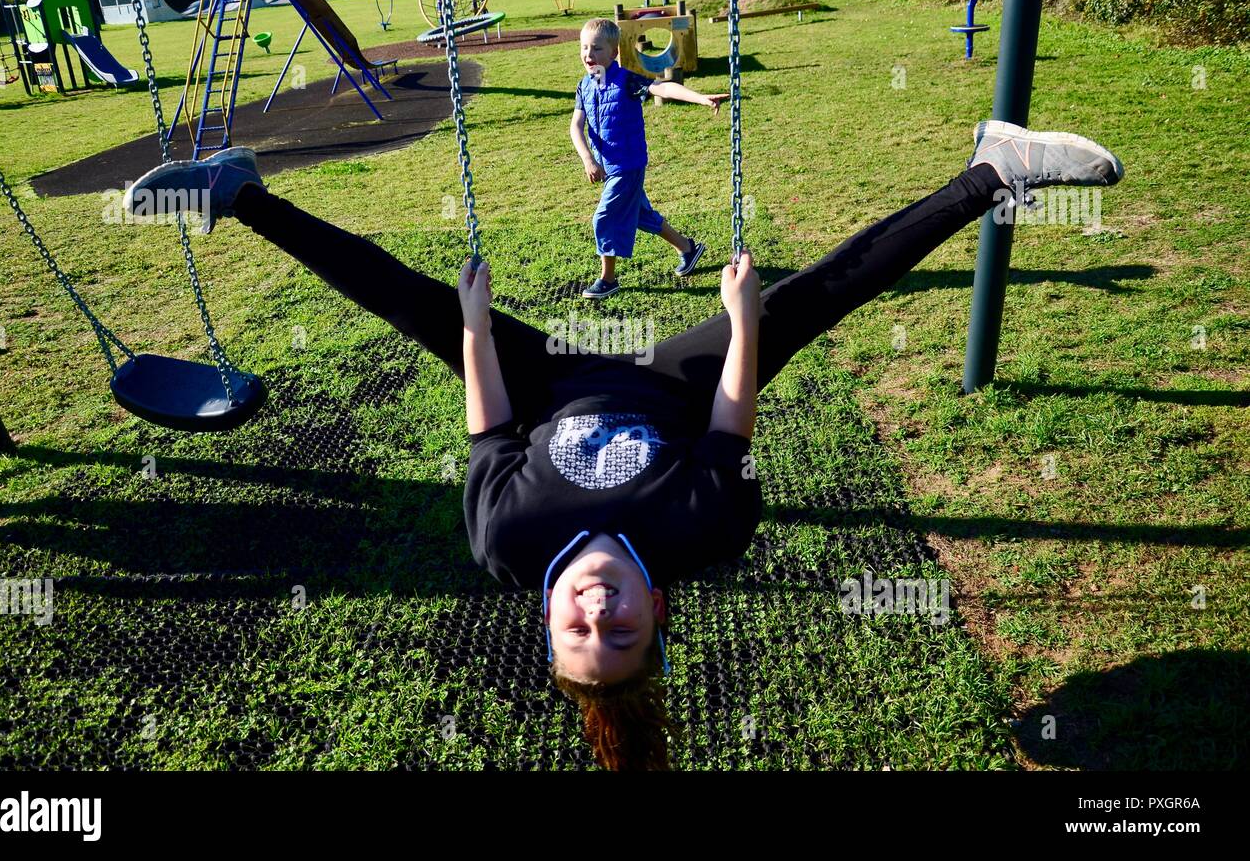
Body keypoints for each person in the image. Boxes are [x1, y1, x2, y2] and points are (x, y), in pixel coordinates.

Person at [123, 120, 1124, 770]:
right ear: (654, 612)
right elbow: (731, 425)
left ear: (548, 619)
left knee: (406, 303)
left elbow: (492, 428)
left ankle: (238, 192)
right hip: (671, 389)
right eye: (622, 632)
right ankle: (995, 168)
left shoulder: (508, 545)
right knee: (816, 297)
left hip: (545, 383)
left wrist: (473, 331)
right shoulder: (699, 536)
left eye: (578, 632)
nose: (596, 613)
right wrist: (741, 326)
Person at [570, 17, 729, 298]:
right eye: (584, 47)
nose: (588, 54)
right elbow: (576, 126)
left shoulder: (627, 80)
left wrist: (700, 98)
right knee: (641, 214)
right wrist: (587, 159)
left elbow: (662, 87)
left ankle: (608, 280)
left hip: (627, 165)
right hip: (608, 167)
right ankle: (688, 248)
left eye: (596, 48)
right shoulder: (584, 86)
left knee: (604, 219)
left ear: (614, 52)